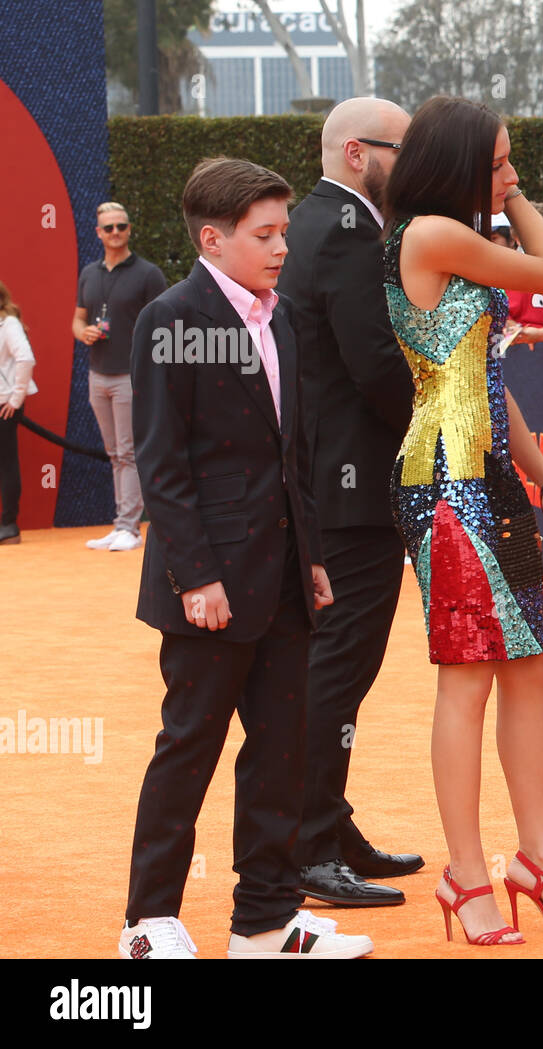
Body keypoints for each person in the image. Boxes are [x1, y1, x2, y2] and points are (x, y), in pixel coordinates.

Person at [120, 157, 374, 959]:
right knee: (189, 744)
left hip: (285, 575)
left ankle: (264, 922)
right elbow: (162, 463)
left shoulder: (283, 317)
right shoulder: (170, 317)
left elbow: (295, 452)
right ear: (213, 238)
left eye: (284, 231)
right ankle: (148, 918)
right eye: (264, 235)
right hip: (207, 584)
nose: (280, 247)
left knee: (281, 750)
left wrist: (316, 559)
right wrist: (196, 575)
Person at [382, 96, 543, 945]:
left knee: (528, 670)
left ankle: (537, 861)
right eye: (500, 162)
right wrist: (509, 201)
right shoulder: (430, 235)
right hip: (442, 482)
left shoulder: (455, 242)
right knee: (467, 678)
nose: (514, 177)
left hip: (492, 474)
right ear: (460, 165)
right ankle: (466, 873)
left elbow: (485, 385)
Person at [274, 97, 422, 909]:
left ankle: (326, 824)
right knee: (336, 668)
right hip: (349, 486)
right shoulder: (346, 232)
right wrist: (440, 423)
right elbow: (375, 364)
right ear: (361, 152)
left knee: (338, 668)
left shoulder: (320, 222)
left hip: (335, 480)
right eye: (409, 149)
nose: (420, 162)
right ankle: (308, 845)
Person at [72, 201, 167, 552]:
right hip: (98, 375)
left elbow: (164, 325)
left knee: (128, 452)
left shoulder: (149, 274)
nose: (116, 233)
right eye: (109, 228)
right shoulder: (89, 273)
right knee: (115, 453)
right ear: (98, 233)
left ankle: (130, 526)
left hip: (132, 375)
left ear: (129, 229)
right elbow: (78, 319)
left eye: (121, 226)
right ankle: (122, 524)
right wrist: (83, 333)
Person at [0, 281, 36, 545]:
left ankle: (9, 524)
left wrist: (15, 398)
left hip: (4, 404)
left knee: (7, 462)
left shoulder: (8, 324)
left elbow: (26, 358)